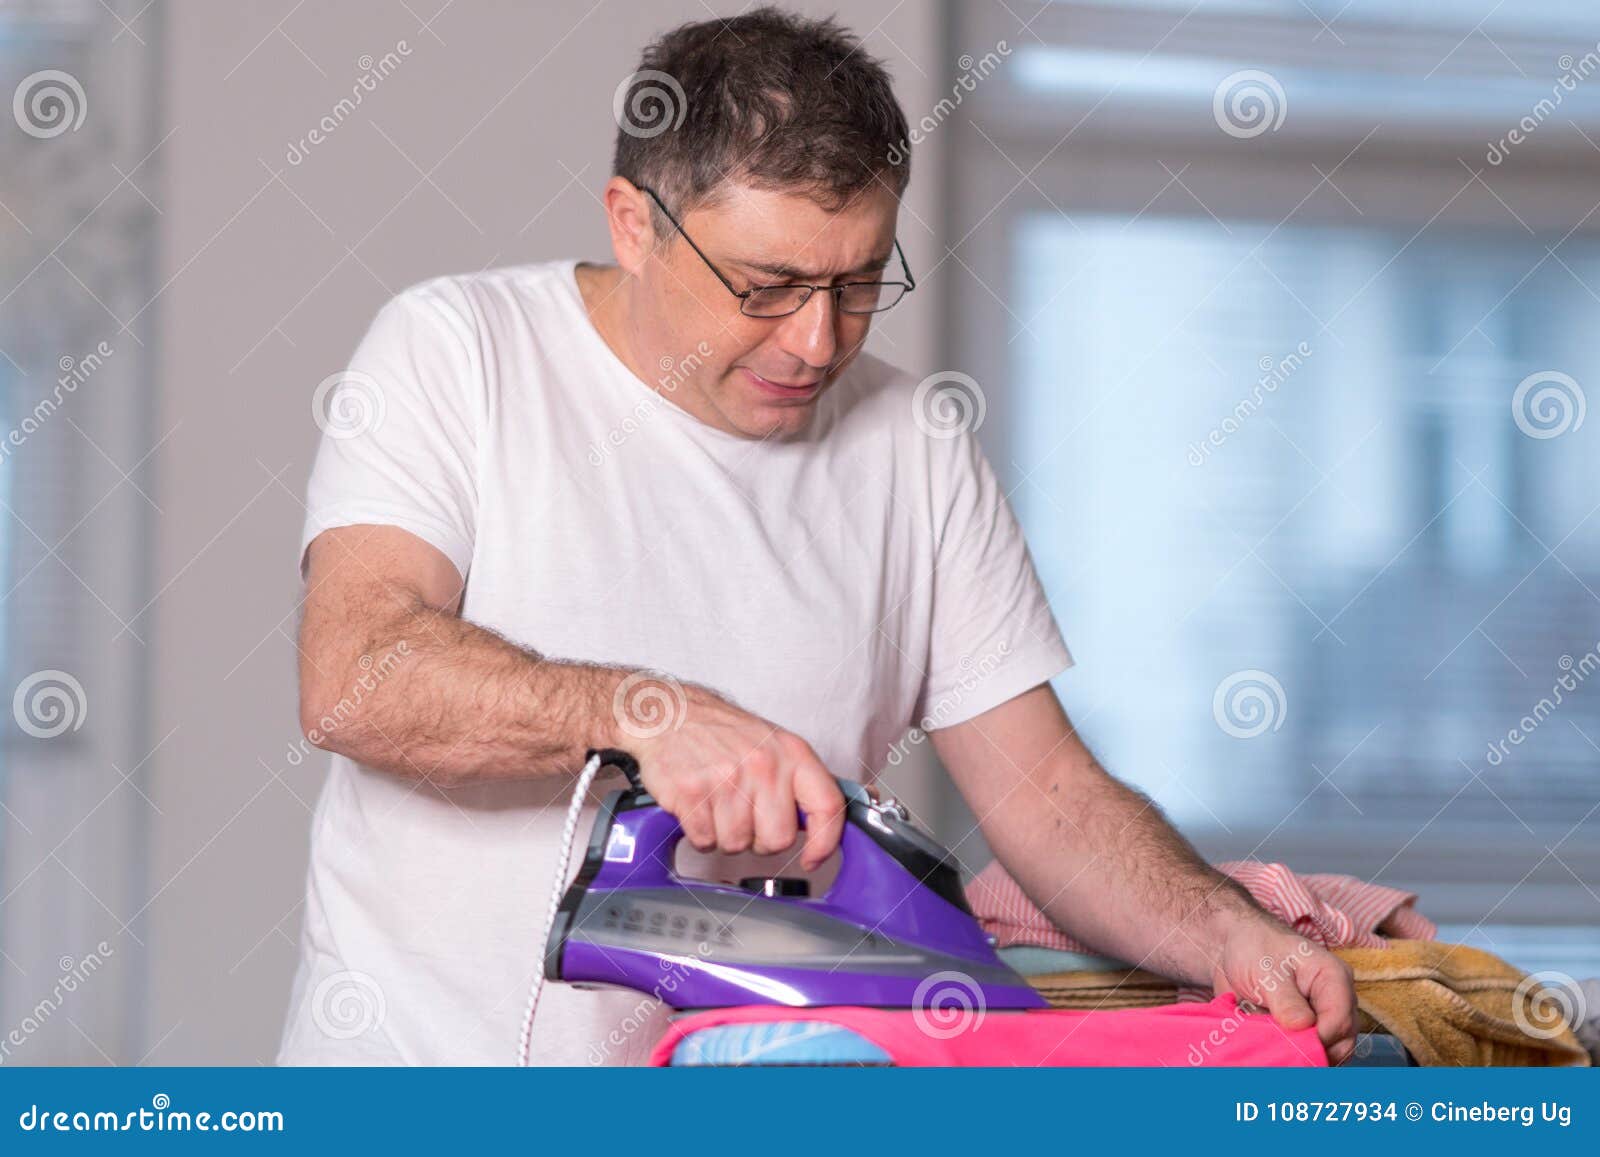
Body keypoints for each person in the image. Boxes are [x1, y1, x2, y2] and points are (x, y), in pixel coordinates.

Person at [278, 6, 1357, 1066]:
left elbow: (1050, 798)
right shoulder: (460, 352)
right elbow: (355, 673)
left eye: (857, 283)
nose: (814, 339)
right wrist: (645, 716)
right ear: (633, 222)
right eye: (767, 286)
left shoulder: (917, 446)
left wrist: (1228, 931)